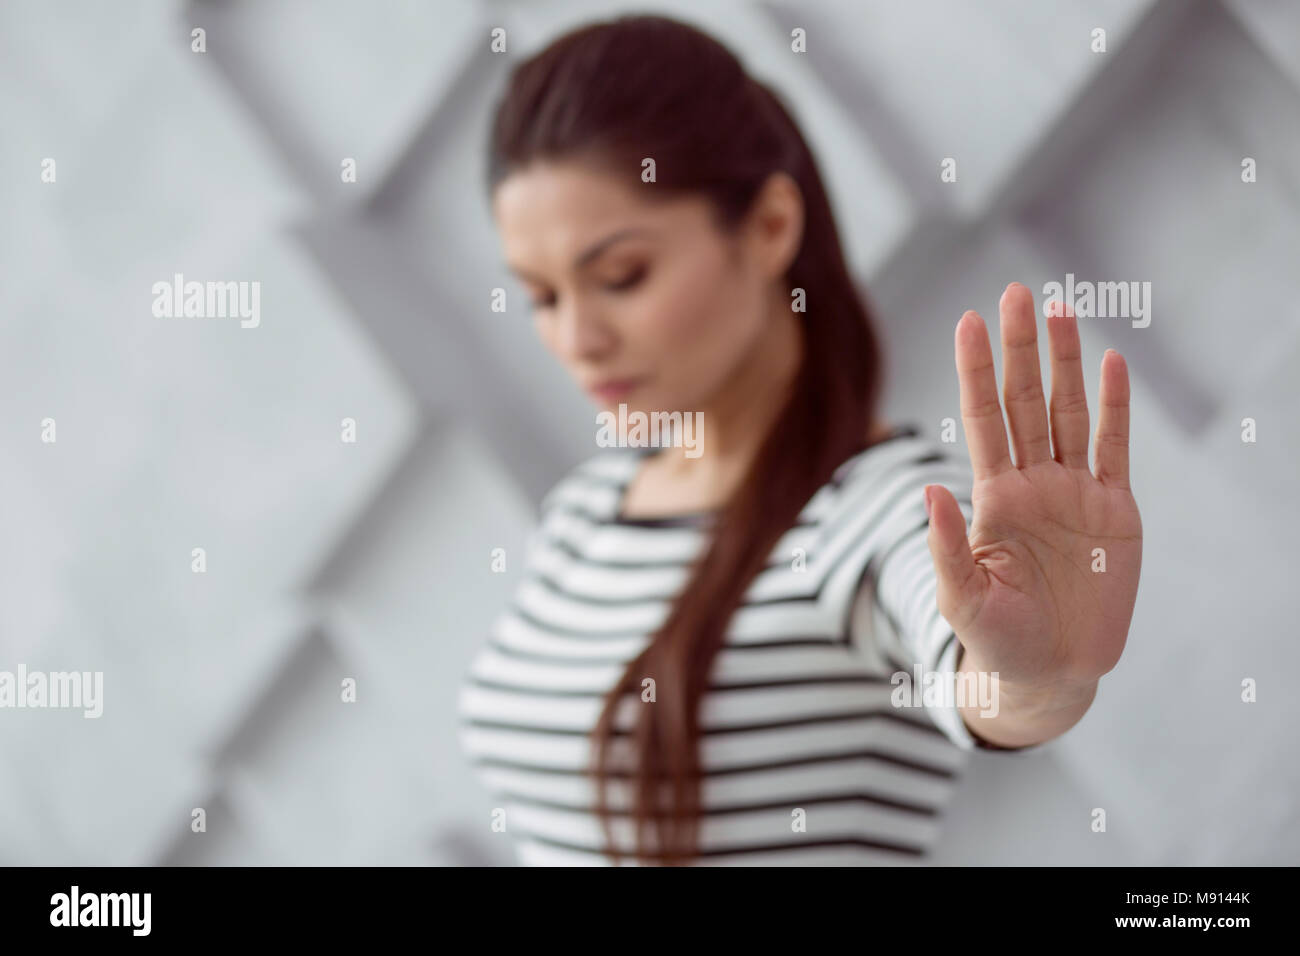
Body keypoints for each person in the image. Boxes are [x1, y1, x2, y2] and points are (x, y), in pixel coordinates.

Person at [457, 14, 1142, 866]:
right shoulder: (585, 511)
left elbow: (987, 672)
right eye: (541, 297)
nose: (577, 338)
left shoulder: (874, 507)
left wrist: (1042, 675)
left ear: (770, 226)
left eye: (620, 277)